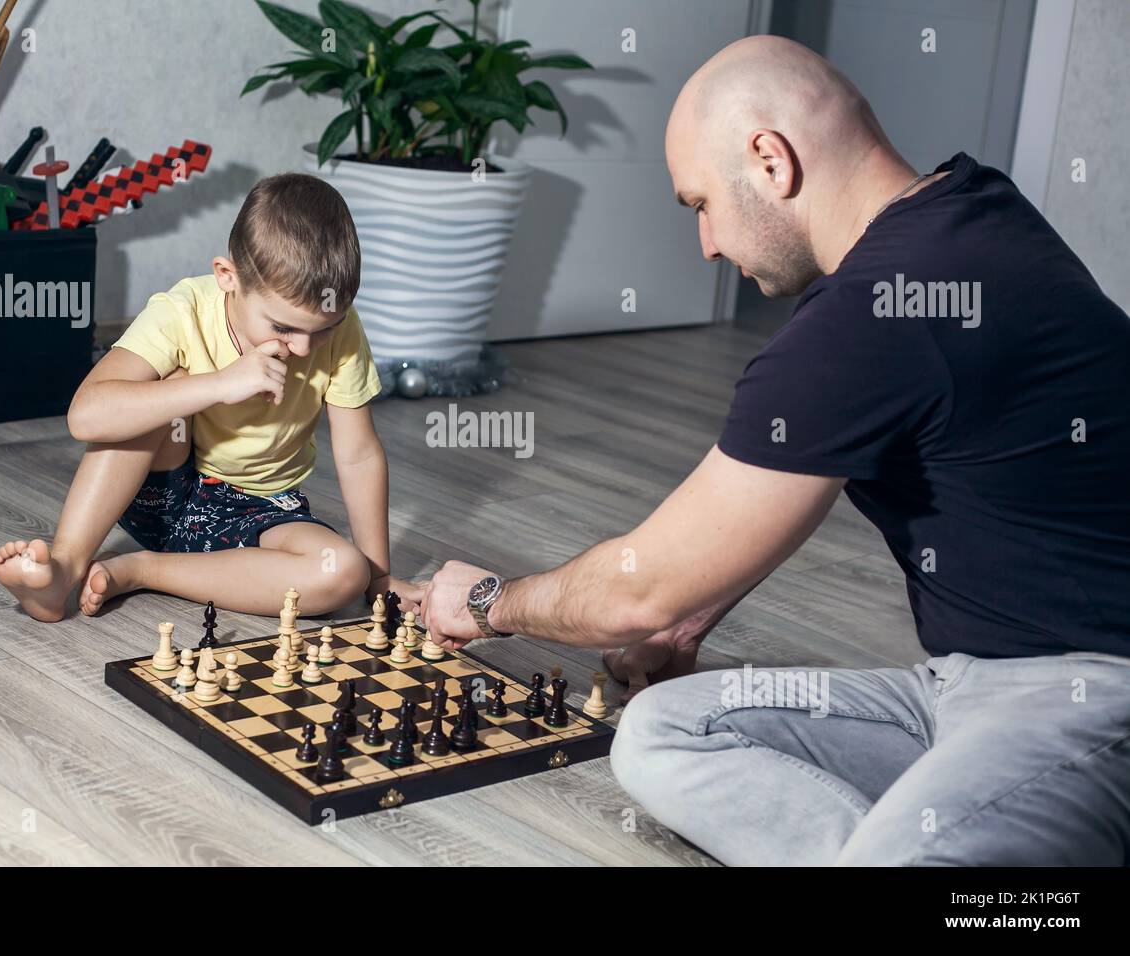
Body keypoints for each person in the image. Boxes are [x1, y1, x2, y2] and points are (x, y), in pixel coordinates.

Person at [421, 36, 1130, 865]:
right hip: (959, 685)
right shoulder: (968, 210)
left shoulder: (871, 317)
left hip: (1090, 695)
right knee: (663, 731)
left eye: (699, 205)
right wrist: (696, 610)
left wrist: (486, 604)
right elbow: (800, 483)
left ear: (769, 160)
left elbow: (635, 593)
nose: (707, 244)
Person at [0, 173, 421, 621]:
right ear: (227, 277)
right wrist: (220, 383)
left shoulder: (341, 329)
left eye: (322, 330)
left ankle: (143, 571)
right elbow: (86, 416)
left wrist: (378, 578)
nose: (301, 348)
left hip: (261, 513)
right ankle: (65, 568)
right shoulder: (182, 311)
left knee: (344, 572)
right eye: (282, 328)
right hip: (164, 494)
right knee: (160, 385)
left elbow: (357, 454)